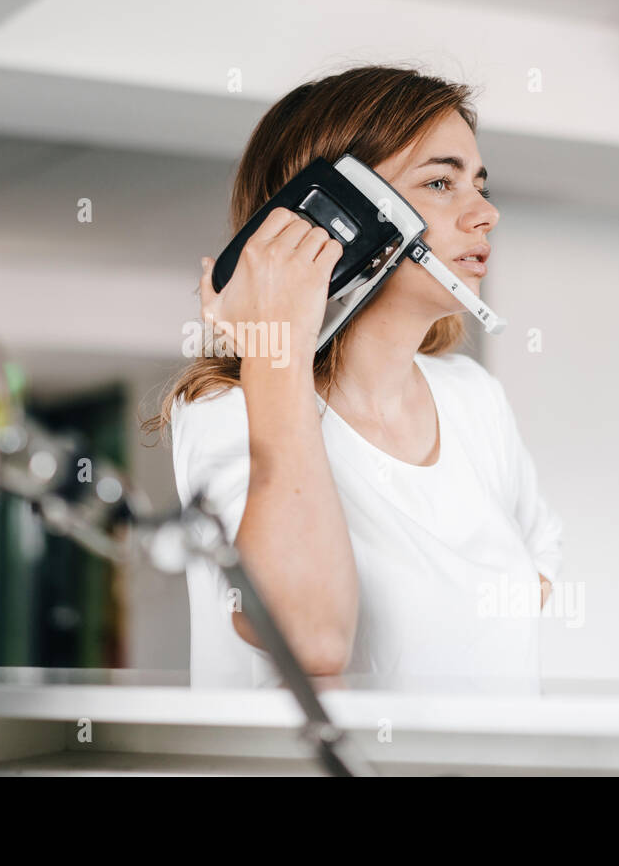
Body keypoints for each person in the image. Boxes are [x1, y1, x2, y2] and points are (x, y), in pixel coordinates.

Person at [141, 65, 563, 692]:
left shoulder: (474, 398)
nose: (486, 213)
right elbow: (311, 639)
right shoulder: (228, 407)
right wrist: (275, 348)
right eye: (441, 181)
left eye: (479, 183)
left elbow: (535, 582)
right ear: (337, 213)